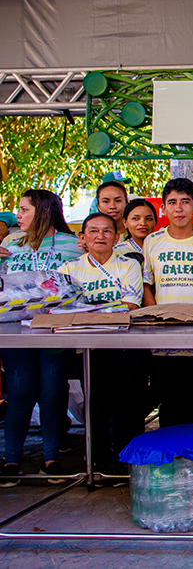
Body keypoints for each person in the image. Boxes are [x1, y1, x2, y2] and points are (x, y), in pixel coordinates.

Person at [0, 190, 82, 486]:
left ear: (44, 211)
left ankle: (51, 458)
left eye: (24, 210)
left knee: (51, 392)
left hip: (55, 331)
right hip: (16, 332)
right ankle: (11, 460)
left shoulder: (72, 244)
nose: (18, 215)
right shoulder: (10, 244)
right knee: (20, 393)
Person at [58, 212, 144, 476]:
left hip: (125, 344)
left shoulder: (129, 265)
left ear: (116, 237)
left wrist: (89, 311)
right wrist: (107, 310)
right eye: (93, 231)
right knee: (96, 403)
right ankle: (98, 459)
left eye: (107, 231)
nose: (100, 236)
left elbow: (130, 306)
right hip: (89, 348)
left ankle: (127, 458)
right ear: (82, 237)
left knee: (127, 402)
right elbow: (61, 307)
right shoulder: (70, 269)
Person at [142, 178, 193, 427]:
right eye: (172, 202)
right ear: (163, 208)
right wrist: (156, 316)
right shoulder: (153, 242)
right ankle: (173, 460)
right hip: (164, 334)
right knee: (170, 401)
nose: (179, 208)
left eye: (185, 202)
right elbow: (147, 284)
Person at [114, 198, 158, 264]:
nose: (143, 223)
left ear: (155, 222)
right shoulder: (117, 252)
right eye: (136, 218)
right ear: (125, 222)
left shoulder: (163, 249)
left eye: (149, 219)